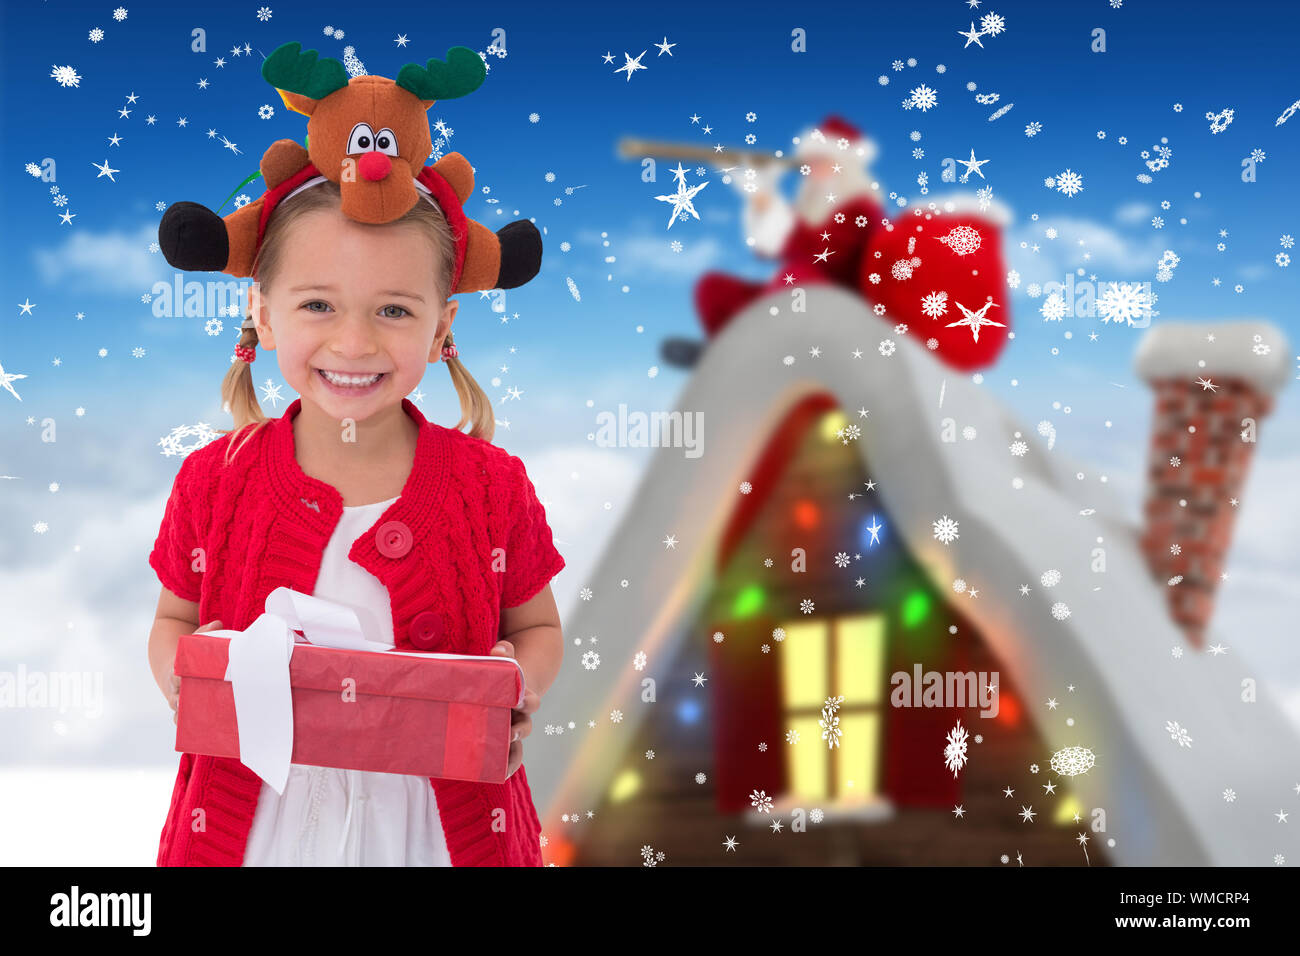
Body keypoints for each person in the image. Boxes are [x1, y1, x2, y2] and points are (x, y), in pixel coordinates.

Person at [146, 168, 565, 867]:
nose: (353, 343)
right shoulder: (214, 480)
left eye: (394, 311)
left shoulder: (491, 486)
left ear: (441, 328)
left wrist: (517, 680)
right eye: (317, 304)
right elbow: (174, 620)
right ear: (265, 314)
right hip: (259, 824)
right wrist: (181, 677)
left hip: (435, 830)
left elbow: (536, 627)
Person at [671, 114, 1011, 371]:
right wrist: (762, 198)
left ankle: (770, 361)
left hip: (843, 305)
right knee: (714, 288)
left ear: (843, 164)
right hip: (798, 295)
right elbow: (768, 249)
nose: (810, 171)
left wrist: (764, 198)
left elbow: (818, 254)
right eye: (809, 163)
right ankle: (728, 355)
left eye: (820, 162)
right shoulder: (812, 205)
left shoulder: (861, 207)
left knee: (796, 281)